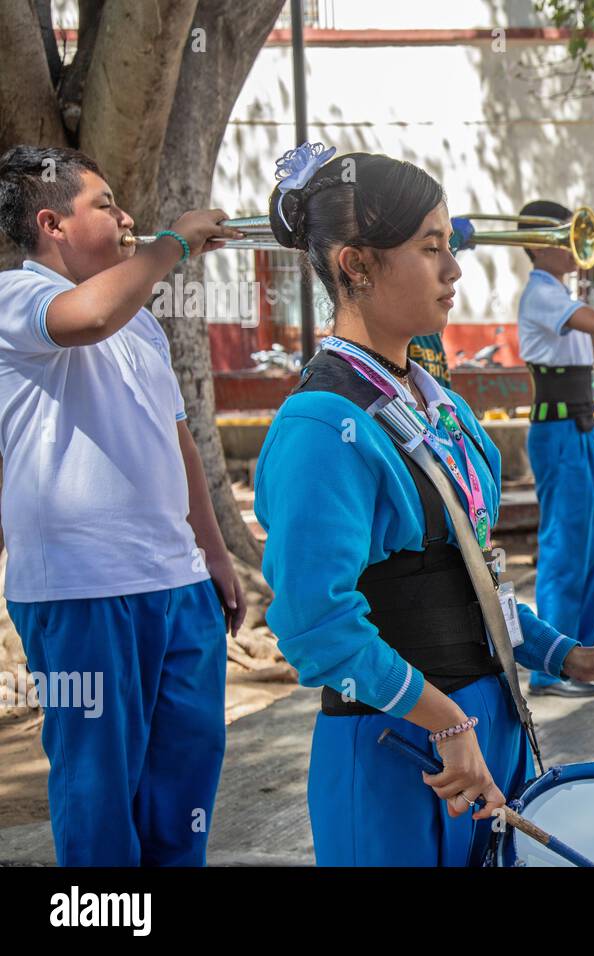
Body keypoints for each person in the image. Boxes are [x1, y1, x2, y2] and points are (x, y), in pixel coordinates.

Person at [252, 145, 594, 866]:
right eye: (430, 248)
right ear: (356, 264)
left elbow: (476, 578)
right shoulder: (321, 426)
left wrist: (568, 654)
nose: (454, 270)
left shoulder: (440, 407)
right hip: (396, 747)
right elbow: (314, 626)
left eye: (449, 246)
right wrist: (443, 720)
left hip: (479, 734)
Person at [0, 144, 245, 866]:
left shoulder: (137, 318)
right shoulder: (17, 295)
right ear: (52, 224)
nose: (126, 218)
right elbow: (86, 320)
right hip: (82, 588)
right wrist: (175, 242)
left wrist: (215, 552)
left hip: (174, 581)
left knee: (186, 779)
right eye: (105, 206)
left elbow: (181, 444)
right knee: (100, 789)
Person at [515, 199, 594, 699]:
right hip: (557, 433)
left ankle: (583, 657)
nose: (573, 247)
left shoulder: (560, 292)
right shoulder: (541, 294)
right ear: (537, 245)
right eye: (562, 236)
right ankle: (550, 668)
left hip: (585, 428)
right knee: (564, 547)